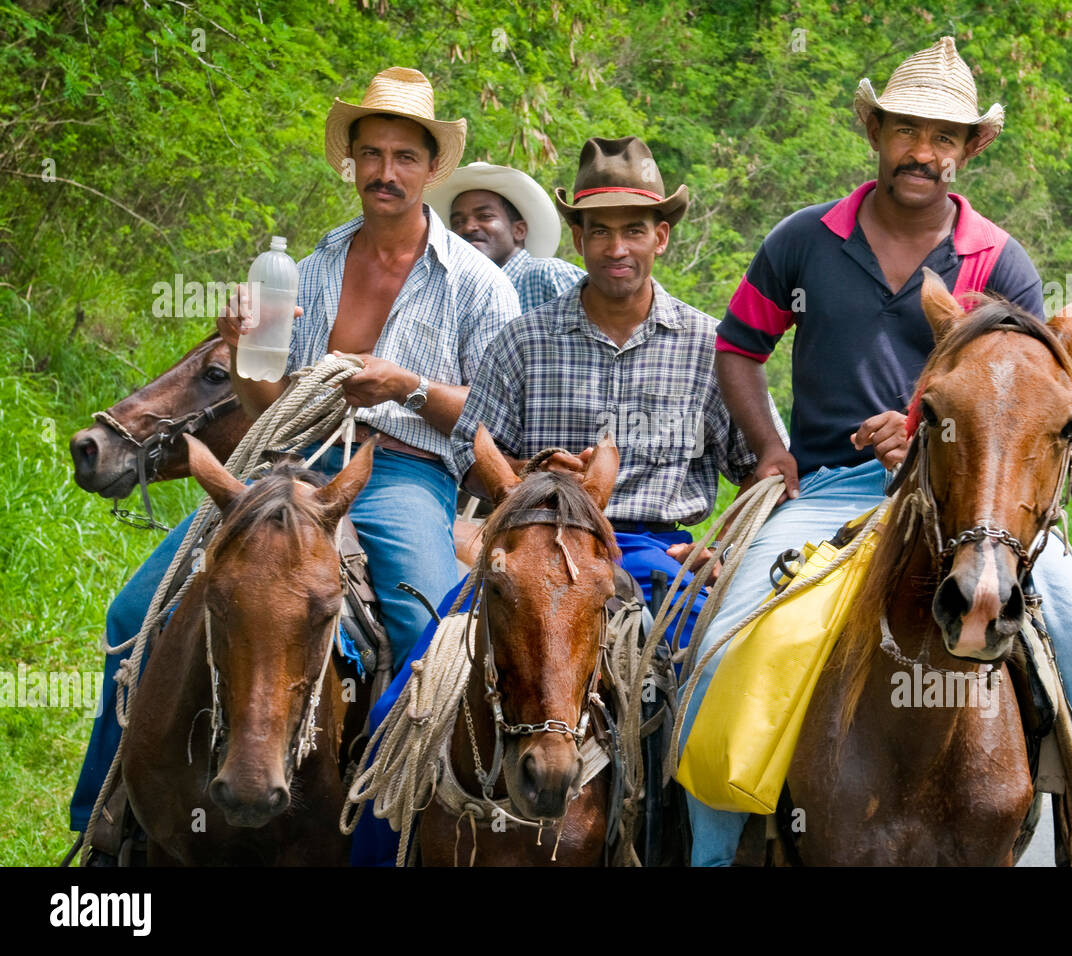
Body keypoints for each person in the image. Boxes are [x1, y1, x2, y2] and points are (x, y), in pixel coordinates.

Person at [679, 37, 1072, 866]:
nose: (922, 152)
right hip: (831, 493)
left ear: (969, 151)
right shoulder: (804, 240)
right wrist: (770, 452)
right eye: (906, 131)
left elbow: (1029, 395)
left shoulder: (1003, 262)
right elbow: (738, 347)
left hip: (978, 506)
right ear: (876, 133)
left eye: (944, 137)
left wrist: (927, 433)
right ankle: (713, 857)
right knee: (726, 648)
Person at [70, 67, 521, 848]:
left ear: (430, 169)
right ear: (349, 161)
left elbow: (496, 430)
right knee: (135, 610)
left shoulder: (479, 288)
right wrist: (245, 353)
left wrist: (407, 387)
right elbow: (261, 404)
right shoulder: (308, 271)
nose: (385, 172)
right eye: (370, 154)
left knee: (422, 628)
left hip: (405, 471)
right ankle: (109, 823)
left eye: (403, 156)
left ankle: (405, 833)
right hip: (287, 461)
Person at [348, 135, 786, 865]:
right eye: (601, 230)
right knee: (411, 695)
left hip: (651, 549)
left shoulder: (710, 347)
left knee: (702, 692)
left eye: (635, 229)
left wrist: (727, 549)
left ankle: (687, 849)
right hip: (526, 549)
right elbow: (468, 454)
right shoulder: (522, 342)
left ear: (662, 237)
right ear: (578, 237)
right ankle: (378, 854)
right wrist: (532, 470)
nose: (618, 247)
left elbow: (759, 470)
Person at [427, 161, 586, 311]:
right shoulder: (458, 295)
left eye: (485, 216)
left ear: (519, 230)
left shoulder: (548, 274)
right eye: (458, 222)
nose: (468, 228)